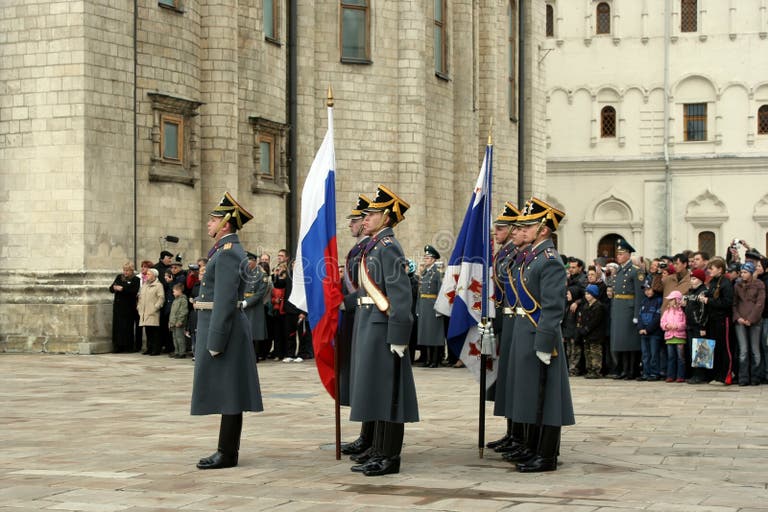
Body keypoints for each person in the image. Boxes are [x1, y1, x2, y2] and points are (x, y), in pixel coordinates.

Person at [348, 185, 417, 477]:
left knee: (389, 392)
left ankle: (389, 456)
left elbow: (400, 296)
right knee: (377, 390)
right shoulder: (375, 246)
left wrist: (399, 336)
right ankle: (377, 449)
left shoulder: (389, 247)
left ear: (386, 218)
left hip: (383, 327)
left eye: (373, 214)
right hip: (370, 324)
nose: (366, 218)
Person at [191, 192, 262, 470]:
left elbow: (224, 299)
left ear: (227, 224)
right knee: (229, 392)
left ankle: (227, 452)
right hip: (220, 325)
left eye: (214, 219)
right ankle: (226, 450)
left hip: (226, 330)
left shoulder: (230, 252)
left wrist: (216, 339)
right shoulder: (223, 250)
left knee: (232, 392)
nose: (209, 223)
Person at [503, 197, 574, 473]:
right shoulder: (532, 257)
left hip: (541, 335)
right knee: (532, 395)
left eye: (528, 225)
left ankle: (546, 455)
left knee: (547, 399)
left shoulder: (549, 260)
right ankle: (532, 448)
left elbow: (554, 306)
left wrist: (544, 342)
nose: (521, 230)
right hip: (526, 331)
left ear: (544, 229)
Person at [485, 202, 525, 455]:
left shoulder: (514, 254)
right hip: (503, 320)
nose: (495, 233)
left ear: (511, 230)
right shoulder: (503, 253)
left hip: (512, 319)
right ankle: (512, 432)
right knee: (506, 381)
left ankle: (518, 434)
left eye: (499, 229)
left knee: (514, 381)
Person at [339, 194, 375, 456]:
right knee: (358, 377)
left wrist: (346, 302)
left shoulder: (368, 249)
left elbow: (370, 286)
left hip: (360, 313)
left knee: (366, 377)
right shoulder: (357, 249)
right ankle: (365, 434)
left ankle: (370, 435)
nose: (350, 225)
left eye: (354, 221)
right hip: (354, 317)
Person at [609, 239, 644, 379]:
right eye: (618, 253)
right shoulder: (619, 270)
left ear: (629, 254)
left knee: (631, 342)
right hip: (619, 308)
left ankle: (632, 370)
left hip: (629, 309)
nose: (619, 256)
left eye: (622, 253)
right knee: (620, 341)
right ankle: (623, 369)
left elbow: (639, 294)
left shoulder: (636, 271)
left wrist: (636, 314)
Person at [700, 258, 735, 385]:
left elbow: (727, 302)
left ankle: (726, 375)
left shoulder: (725, 283)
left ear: (720, 269)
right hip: (713, 319)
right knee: (716, 349)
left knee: (725, 348)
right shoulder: (713, 281)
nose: (709, 271)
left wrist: (709, 301)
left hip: (723, 319)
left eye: (712, 268)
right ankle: (717, 375)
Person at [732, 261, 765, 386]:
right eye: (741, 272)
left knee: (755, 350)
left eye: (745, 272)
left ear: (751, 273)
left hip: (755, 321)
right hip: (740, 321)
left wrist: (751, 319)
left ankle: (755, 377)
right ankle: (743, 377)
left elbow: (760, 303)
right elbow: (734, 304)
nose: (742, 275)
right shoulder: (737, 285)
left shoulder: (759, 284)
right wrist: (738, 317)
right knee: (743, 350)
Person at [416, 244, 445, 368]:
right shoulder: (424, 273)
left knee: (434, 335)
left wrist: (439, 308)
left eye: (428, 258)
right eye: (425, 258)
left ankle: (435, 360)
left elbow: (440, 292)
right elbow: (419, 293)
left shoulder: (436, 274)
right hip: (424, 306)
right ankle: (427, 359)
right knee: (426, 334)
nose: (425, 260)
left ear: (433, 260)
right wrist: (418, 308)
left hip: (433, 306)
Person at [240, 252, 272, 360]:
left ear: (254, 261)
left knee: (253, 332)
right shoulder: (245, 273)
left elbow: (260, 293)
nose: (248, 263)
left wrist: (247, 302)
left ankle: (255, 355)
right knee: (244, 331)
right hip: (244, 303)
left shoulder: (261, 275)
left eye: (249, 261)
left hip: (254, 305)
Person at [109, 262, 140, 353]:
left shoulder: (136, 279)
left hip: (129, 307)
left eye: (127, 271)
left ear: (131, 271)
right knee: (117, 327)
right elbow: (111, 288)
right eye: (124, 270)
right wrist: (114, 288)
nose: (125, 272)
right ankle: (117, 346)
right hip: (118, 307)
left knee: (127, 327)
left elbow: (134, 290)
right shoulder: (119, 277)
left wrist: (122, 289)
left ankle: (128, 346)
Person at [579, 284, 607, 379]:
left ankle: (596, 370)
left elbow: (595, 321)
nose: (587, 295)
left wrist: (587, 328)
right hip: (587, 335)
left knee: (595, 352)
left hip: (596, 334)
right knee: (587, 352)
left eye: (589, 294)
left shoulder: (598, 306)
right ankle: (589, 369)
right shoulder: (586, 306)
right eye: (586, 293)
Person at [636, 283, 663, 381]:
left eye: (649, 289)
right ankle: (645, 373)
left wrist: (648, 329)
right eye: (645, 290)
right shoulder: (644, 301)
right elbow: (640, 316)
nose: (647, 291)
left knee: (654, 353)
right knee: (645, 354)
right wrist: (641, 328)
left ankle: (654, 373)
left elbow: (657, 318)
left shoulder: (659, 301)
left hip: (654, 333)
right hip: (643, 332)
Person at [137, 268, 165, 355]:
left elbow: (161, 298)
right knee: (148, 331)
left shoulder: (158, 285)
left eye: (149, 274)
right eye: (147, 274)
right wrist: (139, 307)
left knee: (154, 332)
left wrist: (156, 307)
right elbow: (140, 297)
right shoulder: (145, 285)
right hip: (144, 311)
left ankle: (156, 349)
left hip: (153, 311)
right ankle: (149, 348)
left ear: (154, 276)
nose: (147, 275)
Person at [661, 290, 687, 382]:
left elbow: (684, 323)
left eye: (672, 299)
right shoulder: (667, 311)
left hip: (679, 337)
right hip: (669, 337)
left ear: (677, 300)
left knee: (680, 358)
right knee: (671, 357)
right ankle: (670, 375)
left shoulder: (682, 311)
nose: (670, 301)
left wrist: (677, 326)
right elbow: (662, 322)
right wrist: (666, 326)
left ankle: (680, 376)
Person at [169, 282, 189, 358]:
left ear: (179, 290)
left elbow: (183, 311)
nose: (173, 293)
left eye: (174, 291)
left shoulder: (183, 300)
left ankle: (182, 352)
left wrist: (180, 321)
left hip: (179, 323)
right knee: (175, 338)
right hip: (173, 322)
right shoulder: (175, 300)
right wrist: (170, 322)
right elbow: (172, 312)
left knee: (180, 338)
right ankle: (177, 351)